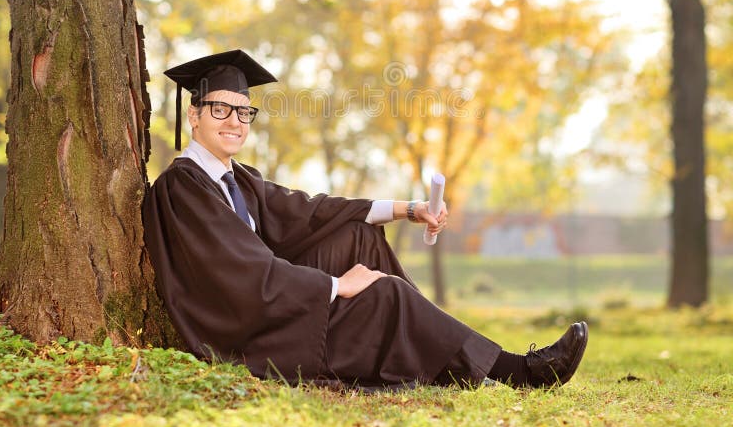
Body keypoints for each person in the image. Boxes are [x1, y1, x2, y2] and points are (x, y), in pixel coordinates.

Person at [143, 49, 588, 389]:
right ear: (194, 115)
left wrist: (408, 209)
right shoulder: (185, 186)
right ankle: (518, 372)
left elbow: (308, 210)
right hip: (248, 331)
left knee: (359, 235)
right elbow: (242, 273)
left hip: (269, 301)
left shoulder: (236, 178)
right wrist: (337, 285)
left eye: (244, 112)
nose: (235, 122)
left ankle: (447, 354)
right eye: (221, 109)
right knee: (385, 291)